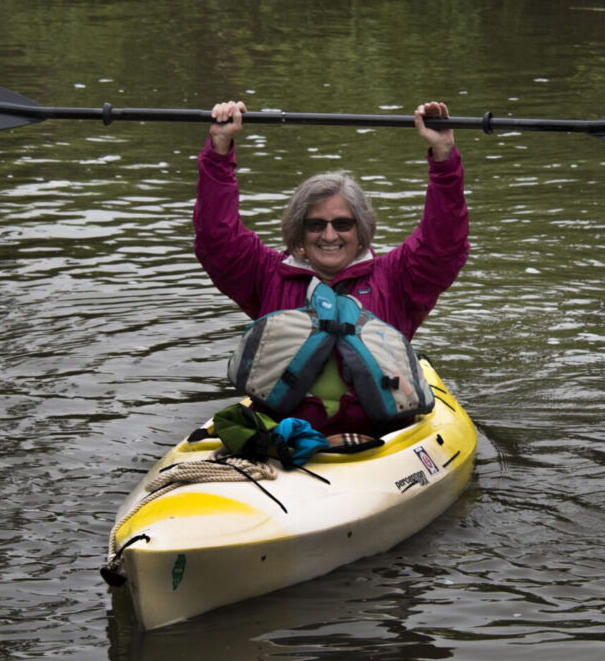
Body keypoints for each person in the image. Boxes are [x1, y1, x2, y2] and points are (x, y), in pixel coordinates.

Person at [193, 97, 469, 436]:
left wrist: (443, 156)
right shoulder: (268, 274)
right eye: (315, 225)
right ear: (299, 230)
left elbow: (444, 243)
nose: (329, 235)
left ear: (361, 229)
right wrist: (219, 150)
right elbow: (216, 238)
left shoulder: (397, 277)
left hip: (382, 441)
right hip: (284, 437)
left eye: (342, 224)